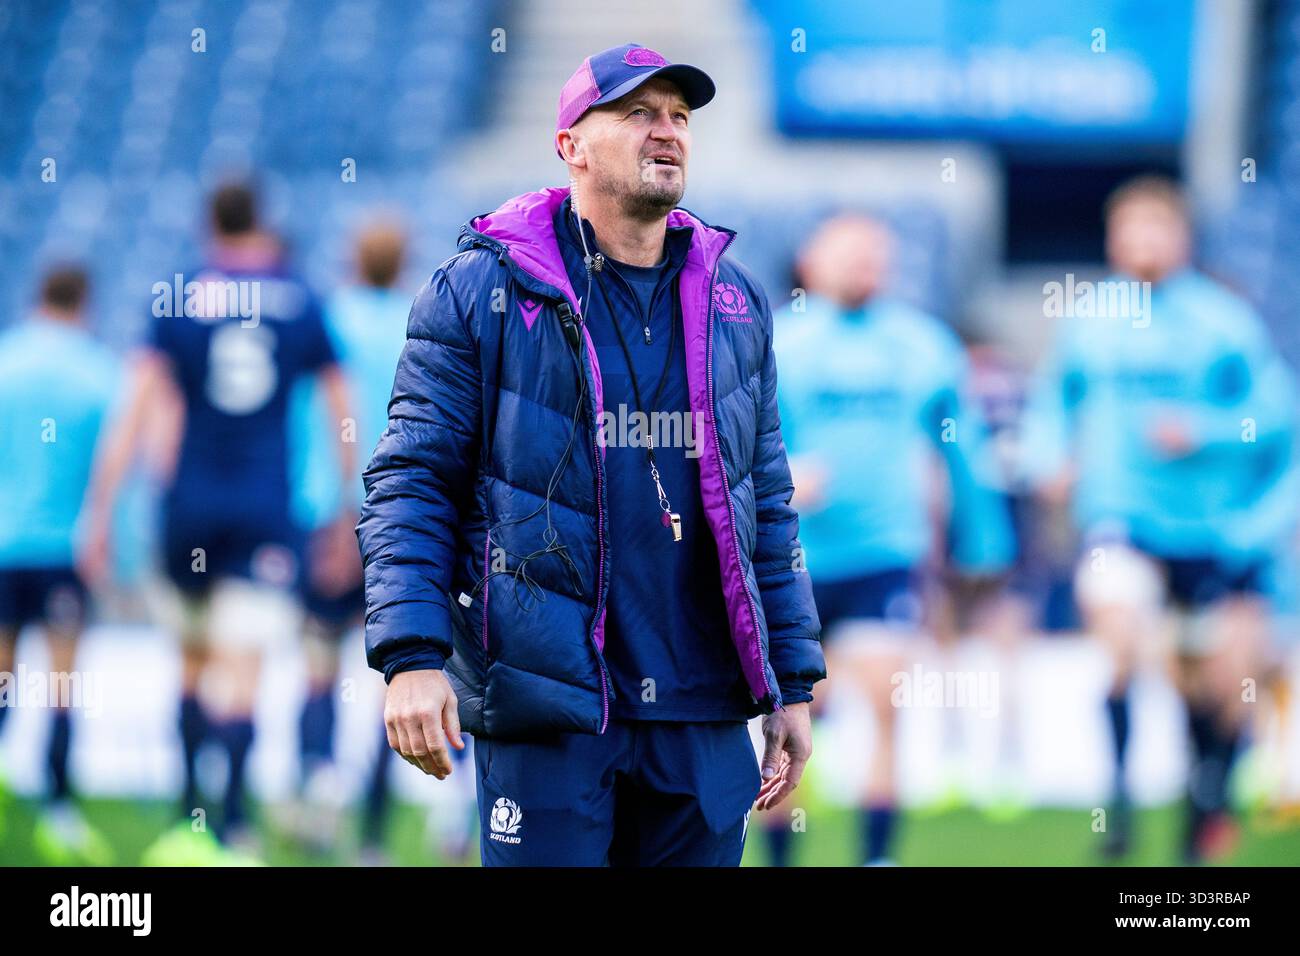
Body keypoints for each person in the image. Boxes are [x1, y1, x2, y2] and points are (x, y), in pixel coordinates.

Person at [357, 42, 826, 866]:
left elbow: (767, 502)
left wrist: (790, 679)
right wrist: (410, 656)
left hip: (703, 707)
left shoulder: (736, 301)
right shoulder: (479, 291)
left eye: (680, 116)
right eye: (638, 113)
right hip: (553, 705)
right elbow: (413, 480)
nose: (668, 132)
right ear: (570, 143)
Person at [1022, 175, 1299, 862]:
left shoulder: (1223, 322)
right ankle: (1115, 801)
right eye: (1131, 229)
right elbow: (1053, 402)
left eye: (1158, 228)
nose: (1143, 242)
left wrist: (1204, 430)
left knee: (1217, 683)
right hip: (1118, 518)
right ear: (1115, 240)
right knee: (1118, 636)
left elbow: (1276, 421)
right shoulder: (1091, 321)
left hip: (1212, 534)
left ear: (1183, 239)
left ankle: (1203, 805)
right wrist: (1048, 458)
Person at [80, 182, 355, 857]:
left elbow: (137, 406)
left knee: (191, 664)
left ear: (209, 226)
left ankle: (184, 818)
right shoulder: (299, 298)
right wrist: (347, 505)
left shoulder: (180, 295)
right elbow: (338, 408)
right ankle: (231, 825)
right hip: (263, 512)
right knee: (244, 669)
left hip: (188, 510)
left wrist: (102, 508)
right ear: (260, 221)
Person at [771, 215, 1014, 865]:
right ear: (810, 262)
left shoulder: (924, 347)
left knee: (885, 705)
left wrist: (984, 542)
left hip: (885, 556)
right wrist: (786, 473)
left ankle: (877, 856)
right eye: (847, 254)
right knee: (786, 722)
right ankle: (779, 854)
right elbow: (732, 447)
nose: (861, 266)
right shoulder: (777, 343)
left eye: (874, 255)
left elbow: (963, 449)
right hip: (791, 564)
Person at [0, 265, 118, 864]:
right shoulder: (98, 373)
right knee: (62, 683)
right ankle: (59, 807)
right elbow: (114, 470)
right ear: (84, 301)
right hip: (64, 550)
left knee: (1, 673)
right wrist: (105, 536)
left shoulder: (5, 360)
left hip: (3, 544)